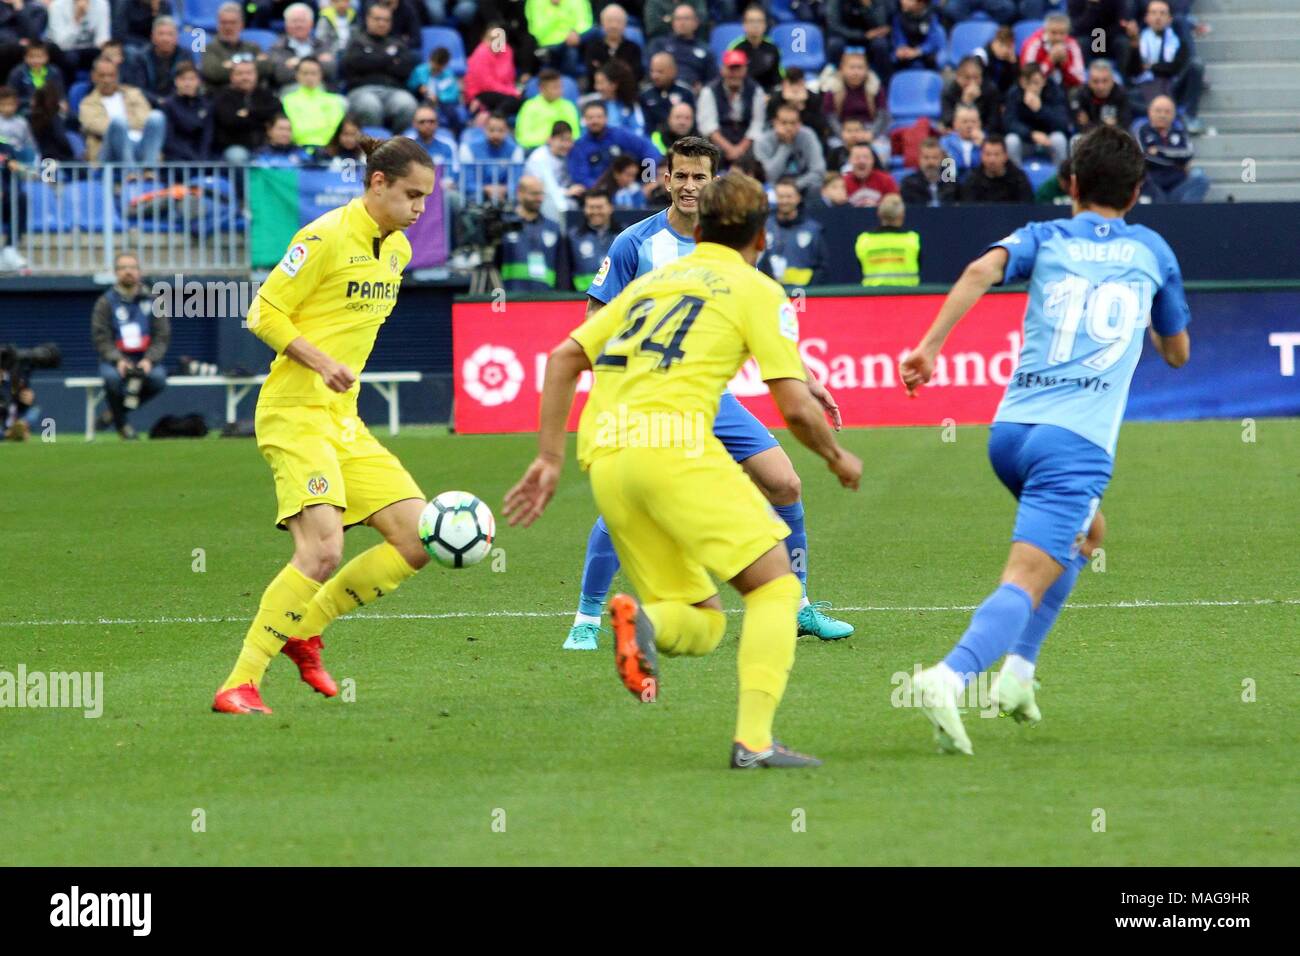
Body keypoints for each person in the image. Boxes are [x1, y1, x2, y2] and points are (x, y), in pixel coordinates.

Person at [503, 170, 862, 768]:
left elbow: (565, 355)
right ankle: (753, 742)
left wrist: (548, 456)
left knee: (703, 623)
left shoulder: (656, 281)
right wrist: (835, 455)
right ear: (763, 236)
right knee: (774, 587)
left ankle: (638, 618)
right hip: (674, 447)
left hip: (609, 459)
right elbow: (794, 408)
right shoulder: (756, 289)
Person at [897, 124, 1191, 754]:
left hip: (1011, 432)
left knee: (1089, 533)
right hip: (1074, 445)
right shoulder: (1152, 252)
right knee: (1026, 577)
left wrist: (928, 346)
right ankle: (949, 677)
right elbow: (1177, 354)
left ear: (1072, 184)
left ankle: (1019, 676)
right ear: (1137, 193)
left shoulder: (1045, 235)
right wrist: (1158, 328)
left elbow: (980, 269)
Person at [560, 136, 856, 652]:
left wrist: (808, 378)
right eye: (681, 175)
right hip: (648, 399)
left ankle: (799, 606)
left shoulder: (731, 244)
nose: (690, 185)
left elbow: (762, 325)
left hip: (711, 397)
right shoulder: (635, 243)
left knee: (784, 483)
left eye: (700, 177)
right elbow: (594, 324)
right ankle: (586, 618)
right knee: (627, 506)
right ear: (666, 179)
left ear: (713, 182)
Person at [211, 135, 438, 716]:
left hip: (343, 418)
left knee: (419, 537)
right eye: (411, 194)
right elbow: (263, 310)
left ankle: (305, 628)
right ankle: (241, 682)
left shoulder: (399, 252)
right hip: (294, 412)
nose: (418, 208)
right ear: (378, 183)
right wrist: (321, 362)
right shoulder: (324, 236)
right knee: (322, 551)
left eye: (426, 199)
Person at [91, 252, 169, 440]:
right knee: (112, 380)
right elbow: (101, 337)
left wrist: (149, 360)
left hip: (144, 357)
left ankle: (115, 414)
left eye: (132, 267)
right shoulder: (105, 302)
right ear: (116, 273)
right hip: (115, 360)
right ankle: (123, 425)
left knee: (158, 379)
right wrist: (118, 360)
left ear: (139, 272)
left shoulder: (153, 301)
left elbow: (162, 336)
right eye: (123, 268)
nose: (128, 272)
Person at [341, 1, 419, 132]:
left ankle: (396, 145)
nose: (382, 23)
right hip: (362, 90)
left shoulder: (398, 43)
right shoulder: (356, 41)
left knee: (408, 104)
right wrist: (389, 59)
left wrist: (372, 59)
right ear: (367, 19)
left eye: (386, 20)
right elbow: (355, 64)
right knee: (371, 106)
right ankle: (374, 147)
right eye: (377, 19)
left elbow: (405, 69)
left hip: (393, 91)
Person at [1126, 0, 1203, 131]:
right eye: (1154, 13)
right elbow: (1132, 71)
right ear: (1146, 18)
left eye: (1162, 13)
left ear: (1169, 19)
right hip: (1145, 87)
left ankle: (1189, 116)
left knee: (1196, 66)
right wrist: (1135, 47)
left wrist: (1151, 67)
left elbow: (1175, 68)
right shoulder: (1138, 40)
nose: (1158, 17)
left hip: (1171, 86)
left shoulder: (1178, 41)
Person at [78, 56, 167, 164]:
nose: (107, 80)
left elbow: (145, 119)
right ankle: (130, 173)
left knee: (157, 117)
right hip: (108, 152)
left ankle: (150, 170)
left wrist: (126, 124)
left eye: (111, 75)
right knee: (118, 123)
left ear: (117, 76)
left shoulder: (134, 93)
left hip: (139, 145)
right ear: (94, 77)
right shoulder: (87, 103)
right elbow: (101, 128)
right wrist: (127, 124)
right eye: (102, 76)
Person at [696, 49, 766, 171]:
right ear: (722, 69)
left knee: (759, 151)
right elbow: (709, 127)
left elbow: (757, 124)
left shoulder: (756, 90)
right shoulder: (709, 91)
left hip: (746, 140)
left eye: (738, 69)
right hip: (719, 139)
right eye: (730, 68)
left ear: (745, 70)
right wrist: (729, 149)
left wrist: (740, 149)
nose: (734, 74)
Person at [1134, 93, 1208, 203]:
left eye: (1167, 112)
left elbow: (1188, 153)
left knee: (1200, 179)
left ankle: (1186, 216)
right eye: (1158, 111)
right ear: (1150, 112)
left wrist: (1159, 151)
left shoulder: (1180, 132)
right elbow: (1145, 157)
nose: (1162, 115)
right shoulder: (1142, 130)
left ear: (1173, 114)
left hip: (1177, 182)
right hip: (1152, 182)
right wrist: (1176, 161)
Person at [567, 100, 657, 190]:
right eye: (590, 118)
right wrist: (605, 188)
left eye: (599, 117)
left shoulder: (620, 135)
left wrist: (649, 179)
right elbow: (581, 178)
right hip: (598, 193)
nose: (595, 121)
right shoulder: (579, 146)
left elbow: (649, 151)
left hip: (632, 188)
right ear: (584, 120)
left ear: (606, 118)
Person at [496, 173, 563, 290]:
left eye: (541, 194)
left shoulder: (553, 227)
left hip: (546, 298)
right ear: (520, 193)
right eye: (534, 194)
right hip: (510, 295)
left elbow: (562, 267)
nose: (539, 198)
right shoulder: (504, 224)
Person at [759, 176, 828, 286]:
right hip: (770, 293)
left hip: (804, 295)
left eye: (789, 196)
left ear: (798, 198)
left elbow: (822, 267)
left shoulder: (813, 229)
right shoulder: (765, 227)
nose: (785, 201)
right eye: (781, 196)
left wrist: (810, 291)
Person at [211, 59, 282, 163]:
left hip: (265, 146)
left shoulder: (266, 94)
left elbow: (276, 113)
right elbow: (230, 121)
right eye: (239, 74)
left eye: (249, 73)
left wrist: (249, 113)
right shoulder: (223, 97)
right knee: (238, 157)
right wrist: (261, 119)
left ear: (256, 75)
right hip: (234, 146)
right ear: (231, 77)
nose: (245, 77)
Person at [754, 103, 826, 201]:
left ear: (800, 124)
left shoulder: (808, 136)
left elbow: (819, 171)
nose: (788, 128)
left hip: (802, 186)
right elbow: (767, 176)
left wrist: (795, 186)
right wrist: (786, 146)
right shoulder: (763, 141)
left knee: (817, 189)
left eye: (793, 123)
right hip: (773, 189)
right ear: (775, 123)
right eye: (784, 123)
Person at [1004, 62, 1070, 167]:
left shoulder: (1054, 91)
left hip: (1048, 139)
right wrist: (1031, 134)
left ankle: (1060, 178)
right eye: (1028, 83)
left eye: (1036, 82)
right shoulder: (1014, 93)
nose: (1032, 87)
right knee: (1011, 141)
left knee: (1059, 139)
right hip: (1025, 140)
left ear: (1043, 81)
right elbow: (1009, 123)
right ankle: (1015, 178)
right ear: (1022, 82)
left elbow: (1063, 123)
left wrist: (1040, 110)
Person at [200, 3, 272, 89]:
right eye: (224, 22)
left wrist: (232, 65)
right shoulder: (210, 48)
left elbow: (267, 67)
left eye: (232, 22)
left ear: (241, 25)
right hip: (222, 96)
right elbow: (214, 73)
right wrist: (250, 66)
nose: (228, 27)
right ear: (217, 25)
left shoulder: (252, 47)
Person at [268, 2, 337, 90]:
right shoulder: (277, 47)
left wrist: (298, 63)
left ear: (311, 24)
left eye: (302, 21)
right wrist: (316, 63)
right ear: (286, 25)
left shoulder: (322, 45)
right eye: (294, 21)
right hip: (290, 90)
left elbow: (330, 68)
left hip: (321, 90)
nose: (299, 25)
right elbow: (281, 74)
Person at [460, 111, 525, 203]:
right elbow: (466, 183)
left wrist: (504, 189)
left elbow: (517, 183)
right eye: (491, 130)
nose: (496, 135)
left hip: (506, 199)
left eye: (500, 130)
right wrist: (486, 189)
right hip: (476, 199)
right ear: (484, 129)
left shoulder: (516, 150)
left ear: (507, 131)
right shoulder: (469, 148)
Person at [524, 118, 583, 221]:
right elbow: (544, 187)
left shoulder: (569, 155)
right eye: (562, 140)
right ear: (550, 139)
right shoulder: (539, 157)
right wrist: (567, 192)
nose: (566, 145)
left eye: (569, 140)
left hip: (565, 197)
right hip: (541, 198)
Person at [281, 56, 347, 148]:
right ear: (297, 75)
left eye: (313, 73)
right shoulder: (287, 101)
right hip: (298, 149)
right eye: (305, 73)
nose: (309, 77)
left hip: (328, 150)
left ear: (320, 75)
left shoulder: (334, 101)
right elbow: (295, 132)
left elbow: (336, 130)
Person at [855, 193, 919, 286]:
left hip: (872, 296)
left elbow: (860, 267)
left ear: (879, 214)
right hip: (907, 296)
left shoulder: (864, 240)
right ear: (901, 215)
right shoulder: (912, 239)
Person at [647, 4, 714, 90]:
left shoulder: (705, 50)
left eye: (686, 19)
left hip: (694, 94)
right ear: (673, 23)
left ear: (696, 23)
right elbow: (649, 71)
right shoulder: (659, 45)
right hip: (663, 90)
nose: (682, 23)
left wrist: (703, 88)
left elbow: (713, 78)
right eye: (678, 19)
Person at [121, 16, 182, 106]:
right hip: (147, 105)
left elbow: (186, 83)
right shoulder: (142, 58)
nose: (165, 39)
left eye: (170, 34)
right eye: (161, 34)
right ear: (152, 37)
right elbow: (138, 88)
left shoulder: (185, 56)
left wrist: (170, 102)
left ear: (177, 38)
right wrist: (158, 101)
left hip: (177, 105)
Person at [1069, 58, 1131, 147]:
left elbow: (1125, 124)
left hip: (1114, 139)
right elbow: (1079, 126)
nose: (1100, 86)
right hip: (1088, 139)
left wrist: (1089, 123)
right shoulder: (1079, 95)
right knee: (1076, 139)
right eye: (1095, 81)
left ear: (1112, 80)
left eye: (1105, 81)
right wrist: (1105, 125)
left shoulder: (1121, 94)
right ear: (1089, 81)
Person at [515, 68, 582, 150]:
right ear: (542, 89)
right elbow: (522, 138)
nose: (560, 91)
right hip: (536, 151)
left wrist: (559, 142)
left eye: (560, 87)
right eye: (555, 87)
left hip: (565, 150)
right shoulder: (529, 107)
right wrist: (548, 141)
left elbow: (576, 134)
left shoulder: (569, 106)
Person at [825, 0, 893, 79]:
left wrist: (867, 6)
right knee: (834, 44)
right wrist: (862, 35)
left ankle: (884, 82)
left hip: (870, 36)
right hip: (845, 36)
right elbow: (834, 25)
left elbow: (881, 24)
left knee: (881, 45)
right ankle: (834, 79)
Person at [464, 25, 520, 119]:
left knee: (522, 101)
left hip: (500, 92)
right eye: (492, 39)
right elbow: (487, 84)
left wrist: (512, 91)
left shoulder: (507, 52)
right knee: (513, 100)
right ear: (484, 39)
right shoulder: (481, 53)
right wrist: (512, 92)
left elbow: (510, 78)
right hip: (479, 94)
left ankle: (491, 116)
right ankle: (493, 118)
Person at [1020, 12, 1085, 91]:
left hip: (1064, 89)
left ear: (1067, 32)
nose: (1058, 38)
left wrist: (1065, 63)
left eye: (1062, 33)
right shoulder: (1033, 44)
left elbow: (1079, 80)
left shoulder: (1072, 45)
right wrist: (1050, 60)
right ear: (1045, 30)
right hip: (1038, 89)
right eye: (1053, 33)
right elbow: (1028, 78)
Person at [161, 61, 213, 160]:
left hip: (200, 157)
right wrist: (193, 158)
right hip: (177, 158)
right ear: (176, 81)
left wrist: (202, 159)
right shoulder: (168, 105)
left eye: (192, 79)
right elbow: (168, 140)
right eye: (183, 79)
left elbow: (207, 137)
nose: (187, 83)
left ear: (198, 81)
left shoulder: (206, 105)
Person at [958, 133, 1032, 202]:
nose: (992, 160)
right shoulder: (972, 180)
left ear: (1005, 156)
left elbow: (1025, 208)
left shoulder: (1019, 179)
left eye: (996, 155)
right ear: (981, 156)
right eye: (988, 154)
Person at [526, 0, 591, 77]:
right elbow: (536, 30)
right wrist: (556, 10)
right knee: (571, 52)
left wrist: (575, 32)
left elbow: (585, 23)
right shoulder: (534, 2)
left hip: (575, 41)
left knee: (597, 32)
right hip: (547, 44)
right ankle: (568, 82)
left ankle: (570, 83)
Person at [582, 3, 642, 86]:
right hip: (598, 93)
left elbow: (636, 75)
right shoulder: (593, 48)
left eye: (618, 21)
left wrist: (602, 69)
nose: (614, 25)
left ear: (625, 24)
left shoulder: (633, 49)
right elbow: (591, 74)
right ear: (602, 23)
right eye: (609, 21)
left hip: (627, 93)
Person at [566, 188, 614, 289]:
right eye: (591, 207)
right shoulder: (573, 237)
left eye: (600, 207)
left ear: (610, 208)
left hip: (616, 299)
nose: (595, 211)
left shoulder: (623, 236)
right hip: (581, 299)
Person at [47, 0, 111, 75]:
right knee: (71, 58)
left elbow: (102, 38)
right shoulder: (57, 5)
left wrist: (107, 53)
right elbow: (61, 43)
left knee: (110, 56)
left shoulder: (101, 3)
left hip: (90, 50)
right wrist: (77, 18)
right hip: (66, 51)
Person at [940, 55, 1000, 135]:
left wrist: (982, 134)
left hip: (983, 134)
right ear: (958, 77)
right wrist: (965, 102)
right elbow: (947, 120)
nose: (972, 83)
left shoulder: (990, 90)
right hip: (957, 135)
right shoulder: (949, 91)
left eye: (976, 78)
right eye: (967, 78)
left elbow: (994, 121)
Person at [638, 51, 694, 135]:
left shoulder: (686, 92)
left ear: (673, 71)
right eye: (652, 71)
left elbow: (693, 123)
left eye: (660, 72)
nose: (654, 76)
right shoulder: (645, 95)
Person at [587, 59, 645, 138]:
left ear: (614, 85)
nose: (597, 87)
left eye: (600, 83)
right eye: (596, 83)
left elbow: (639, 132)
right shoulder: (592, 104)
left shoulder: (630, 105)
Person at [729, 4, 781, 91]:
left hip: (768, 94)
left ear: (765, 25)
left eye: (759, 21)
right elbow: (732, 78)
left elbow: (777, 78)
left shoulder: (773, 48)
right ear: (744, 25)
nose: (755, 25)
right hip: (743, 94)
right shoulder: (736, 48)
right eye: (751, 21)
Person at [5, 40, 64, 113]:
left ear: (47, 57)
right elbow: (10, 96)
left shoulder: (54, 72)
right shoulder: (17, 73)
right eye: (31, 57)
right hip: (26, 109)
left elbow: (60, 93)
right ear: (25, 57)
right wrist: (28, 101)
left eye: (40, 57)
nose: (36, 60)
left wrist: (61, 101)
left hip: (50, 107)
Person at [891, 0, 945, 73]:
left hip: (924, 55)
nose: (903, 1)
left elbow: (932, 41)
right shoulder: (899, 17)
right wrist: (901, 47)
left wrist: (918, 51)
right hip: (907, 52)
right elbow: (898, 35)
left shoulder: (931, 17)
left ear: (921, 3)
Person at [843, 143, 899, 207]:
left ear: (873, 160)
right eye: (857, 157)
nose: (862, 161)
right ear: (850, 160)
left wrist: (877, 207)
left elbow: (896, 205)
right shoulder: (843, 182)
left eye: (866, 157)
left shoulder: (886, 180)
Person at [939, 102, 984, 174]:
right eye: (965, 122)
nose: (969, 125)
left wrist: (979, 146)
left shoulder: (987, 143)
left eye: (973, 122)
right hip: (952, 182)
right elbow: (947, 175)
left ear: (979, 123)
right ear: (955, 124)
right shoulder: (945, 142)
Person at [976, 23, 1020, 95]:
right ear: (995, 41)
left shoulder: (1010, 58)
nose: (1005, 50)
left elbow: (1016, 84)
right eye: (1002, 45)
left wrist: (1014, 64)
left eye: (1008, 46)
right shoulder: (981, 57)